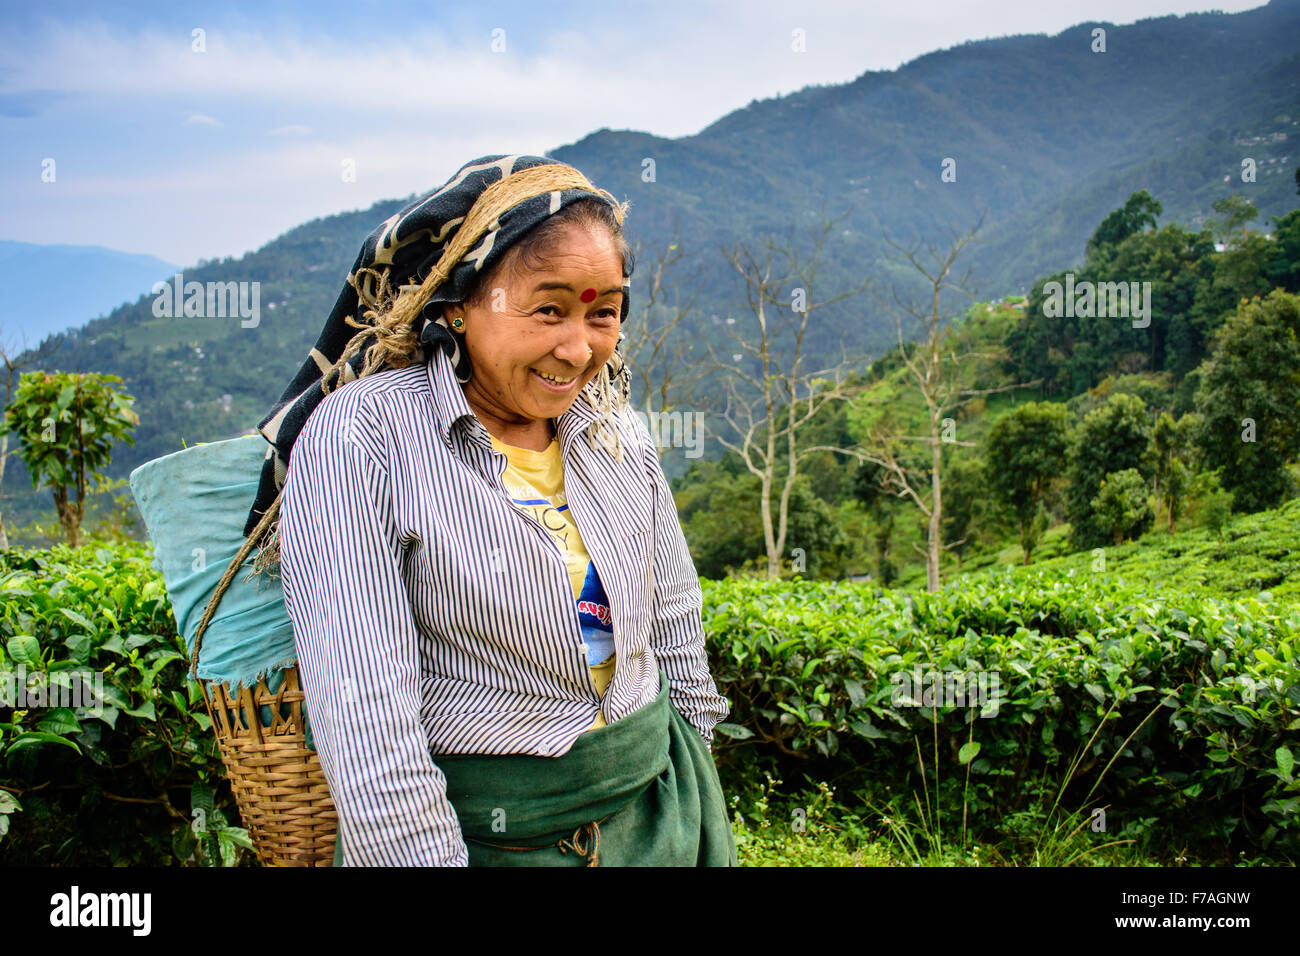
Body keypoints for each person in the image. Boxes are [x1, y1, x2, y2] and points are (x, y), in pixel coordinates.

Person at [242, 154, 736, 866]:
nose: (578, 347)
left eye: (604, 312)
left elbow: (673, 622)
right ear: (459, 305)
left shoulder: (613, 428)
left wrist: (698, 785)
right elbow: (368, 715)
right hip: (485, 839)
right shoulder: (366, 438)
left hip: (661, 813)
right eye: (548, 309)